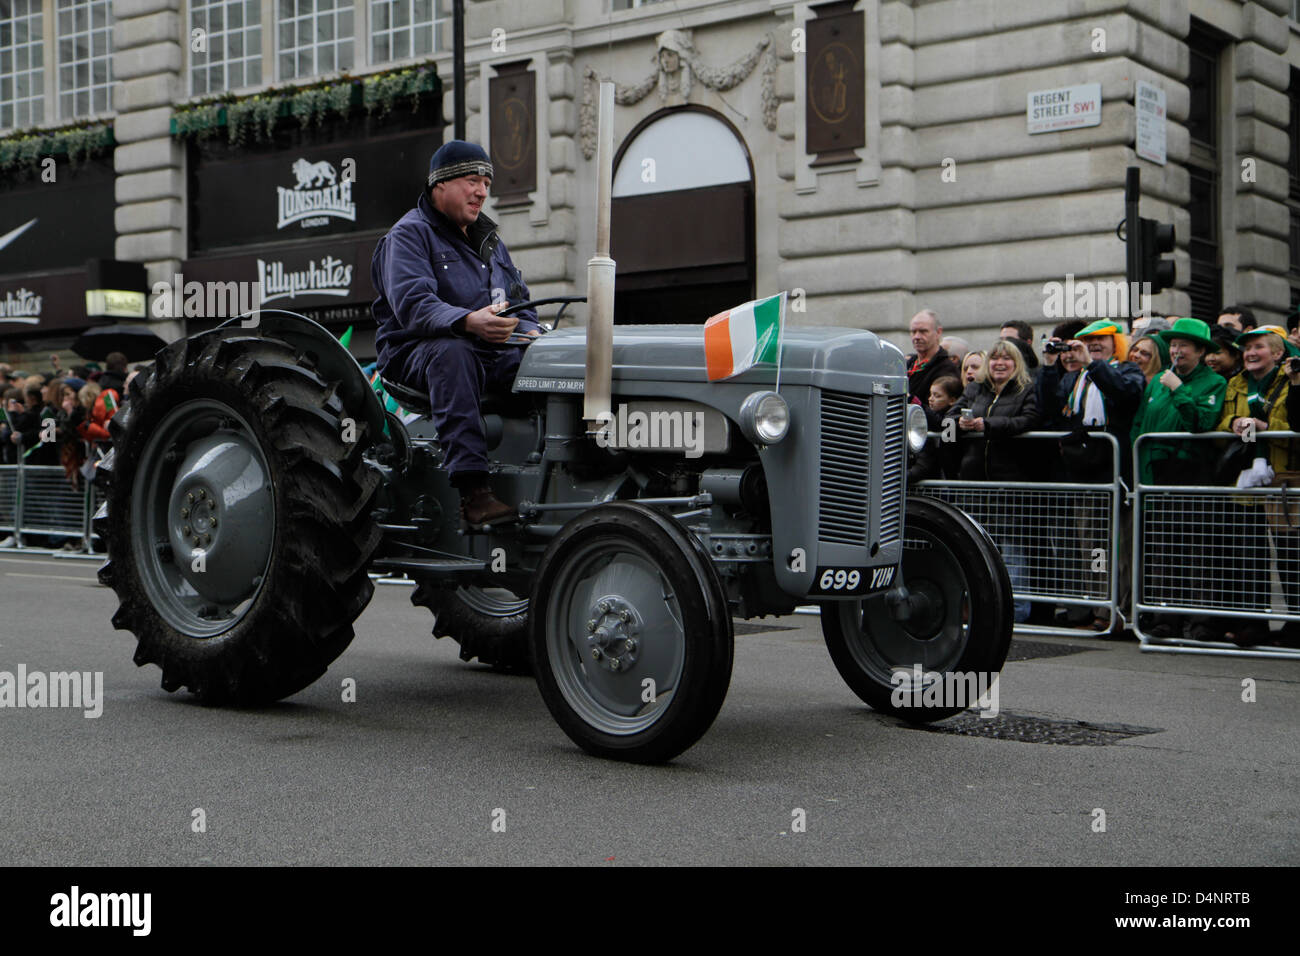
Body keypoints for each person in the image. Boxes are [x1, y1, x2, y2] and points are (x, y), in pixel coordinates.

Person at [371, 140, 541, 527]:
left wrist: (530, 333)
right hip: (415, 353)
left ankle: (549, 468)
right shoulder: (408, 236)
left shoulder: (493, 244)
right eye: (471, 180)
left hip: (489, 350)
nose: (482, 191)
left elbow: (522, 304)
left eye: (486, 182)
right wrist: (469, 321)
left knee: (549, 365)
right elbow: (413, 303)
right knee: (453, 352)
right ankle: (474, 495)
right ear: (439, 185)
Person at [942, 340, 1042, 622]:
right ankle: (980, 610)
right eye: (995, 358)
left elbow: (1029, 420)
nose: (1000, 363)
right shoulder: (976, 388)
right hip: (974, 484)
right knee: (975, 550)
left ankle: (1016, 613)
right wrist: (959, 425)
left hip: (1008, 483)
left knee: (1011, 552)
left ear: (1016, 363)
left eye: (1006, 359)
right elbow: (948, 418)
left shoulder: (1027, 389)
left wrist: (989, 427)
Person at [1212, 326, 1300, 646]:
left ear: (1277, 353)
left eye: (1258, 347)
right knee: (1249, 555)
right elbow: (1221, 419)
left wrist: (1265, 426)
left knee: (1290, 556)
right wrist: (1232, 423)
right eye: (1247, 348)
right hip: (1246, 478)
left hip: (1283, 478)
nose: (1250, 353)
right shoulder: (1235, 382)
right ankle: (1254, 624)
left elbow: (1295, 424)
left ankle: (1294, 624)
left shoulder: (1290, 381)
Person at [908, 375, 962, 484]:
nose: (930, 399)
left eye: (937, 396)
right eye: (931, 394)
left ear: (952, 400)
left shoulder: (952, 417)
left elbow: (939, 423)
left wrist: (916, 403)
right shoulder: (933, 414)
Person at [906, 309, 959, 405]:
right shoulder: (907, 364)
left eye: (923, 331)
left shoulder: (947, 369)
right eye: (913, 332)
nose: (916, 337)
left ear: (938, 332)